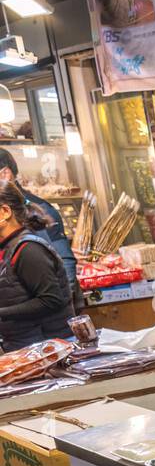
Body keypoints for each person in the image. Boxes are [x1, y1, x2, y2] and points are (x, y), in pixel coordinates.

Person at [0, 180, 76, 351]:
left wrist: (2, 312)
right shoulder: (8, 247)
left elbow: (51, 300)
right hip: (27, 348)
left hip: (48, 350)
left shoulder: (28, 249)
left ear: (5, 212)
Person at [0, 150, 81, 299]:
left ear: (5, 174)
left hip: (48, 311)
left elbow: (65, 260)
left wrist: (65, 303)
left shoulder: (38, 209)